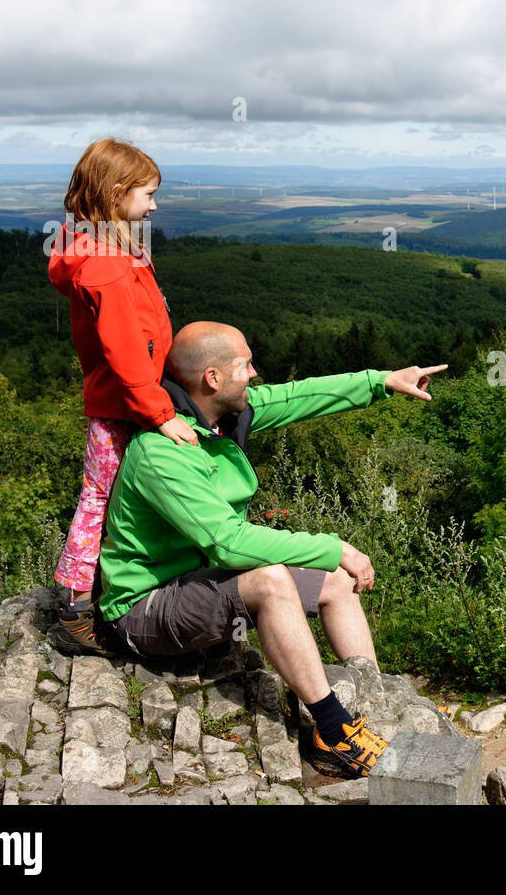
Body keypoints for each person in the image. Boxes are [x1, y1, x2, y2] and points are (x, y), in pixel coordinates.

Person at [97, 321, 447, 778]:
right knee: (272, 579)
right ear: (213, 378)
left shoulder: (221, 418)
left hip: (200, 583)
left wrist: (381, 381)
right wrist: (331, 545)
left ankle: (371, 697)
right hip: (146, 606)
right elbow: (227, 542)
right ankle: (333, 733)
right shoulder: (163, 452)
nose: (256, 373)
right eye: (246, 364)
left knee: (338, 583)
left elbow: (299, 396)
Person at [47, 138, 199, 658]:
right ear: (116, 193)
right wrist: (160, 413)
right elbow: (126, 350)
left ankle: (115, 596)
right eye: (148, 194)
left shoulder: (99, 246)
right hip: (122, 404)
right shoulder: (106, 262)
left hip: (123, 399)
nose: (154, 205)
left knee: (111, 498)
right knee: (99, 501)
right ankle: (73, 613)